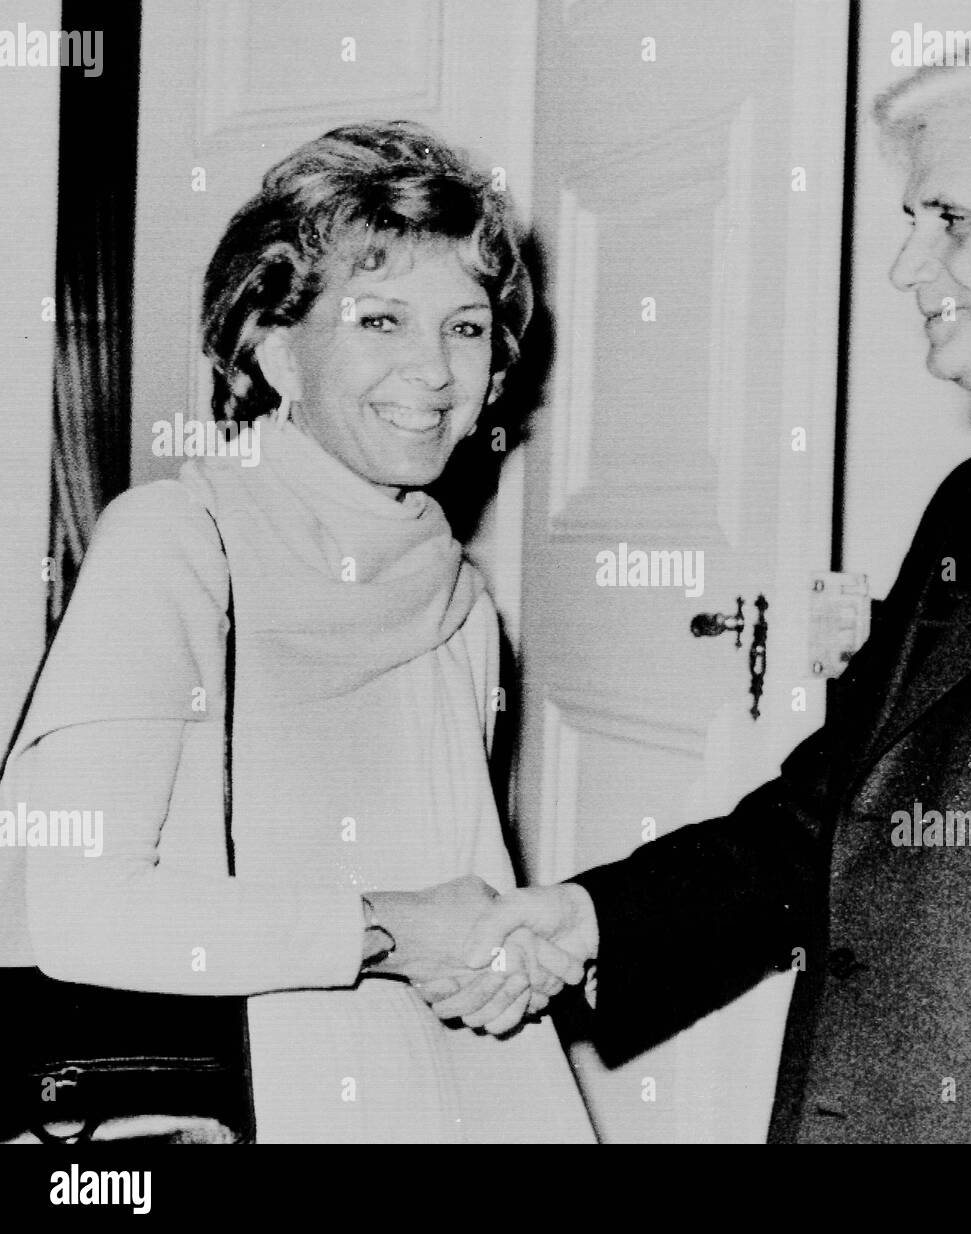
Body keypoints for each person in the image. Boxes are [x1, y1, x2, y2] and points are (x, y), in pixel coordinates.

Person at [450, 23, 971, 1143]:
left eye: (948, 219)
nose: (907, 265)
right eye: (911, 223)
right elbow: (826, 814)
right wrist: (593, 917)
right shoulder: (970, 495)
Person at [4, 121, 592, 1143]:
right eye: (379, 321)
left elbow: (465, 899)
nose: (434, 371)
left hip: (440, 1091)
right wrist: (392, 930)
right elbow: (78, 912)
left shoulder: (457, 600)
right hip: (234, 1101)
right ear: (275, 346)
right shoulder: (175, 544)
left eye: (464, 327)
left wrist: (515, 950)